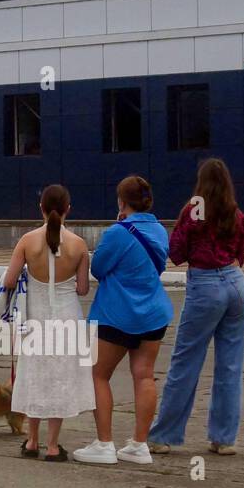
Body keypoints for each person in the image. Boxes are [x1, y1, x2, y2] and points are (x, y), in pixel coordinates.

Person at [149, 158, 244, 456]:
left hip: (205, 285)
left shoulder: (193, 211)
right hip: (237, 285)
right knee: (230, 365)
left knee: (186, 361)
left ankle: (164, 435)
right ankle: (224, 438)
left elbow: (176, 253)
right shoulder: (237, 214)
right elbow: (240, 256)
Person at [72, 175, 173, 466]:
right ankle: (139, 445)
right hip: (153, 314)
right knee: (144, 375)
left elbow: (99, 268)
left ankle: (104, 443)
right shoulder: (159, 230)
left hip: (115, 315)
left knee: (98, 374)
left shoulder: (118, 232)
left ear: (121, 201)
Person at [2, 184, 95, 461]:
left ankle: (32, 441)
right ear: (68, 209)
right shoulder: (79, 245)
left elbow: (8, 281)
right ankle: (53, 446)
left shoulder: (27, 241)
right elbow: (82, 289)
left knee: (34, 377)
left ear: (40, 208)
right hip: (67, 319)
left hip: (35, 319)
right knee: (60, 379)